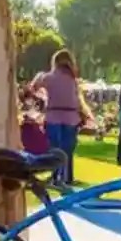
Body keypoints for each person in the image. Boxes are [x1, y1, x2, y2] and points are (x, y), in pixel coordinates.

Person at [31, 49, 87, 187]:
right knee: (67, 149)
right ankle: (66, 177)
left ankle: (56, 176)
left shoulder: (49, 77)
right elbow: (77, 99)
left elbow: (34, 87)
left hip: (53, 115)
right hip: (71, 116)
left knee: (55, 149)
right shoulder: (72, 79)